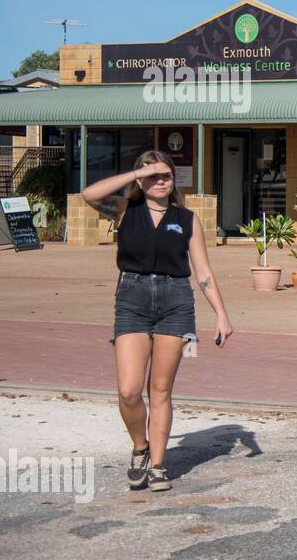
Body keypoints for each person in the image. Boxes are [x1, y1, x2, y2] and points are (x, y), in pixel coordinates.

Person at [82, 151, 233, 492]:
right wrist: (138, 173)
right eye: (152, 175)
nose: (160, 180)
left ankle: (159, 466)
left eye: (165, 174)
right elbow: (89, 195)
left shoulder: (187, 218)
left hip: (175, 302)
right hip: (132, 300)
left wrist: (221, 315)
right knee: (129, 389)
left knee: (160, 389)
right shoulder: (124, 211)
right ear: (139, 179)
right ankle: (141, 447)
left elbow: (204, 272)